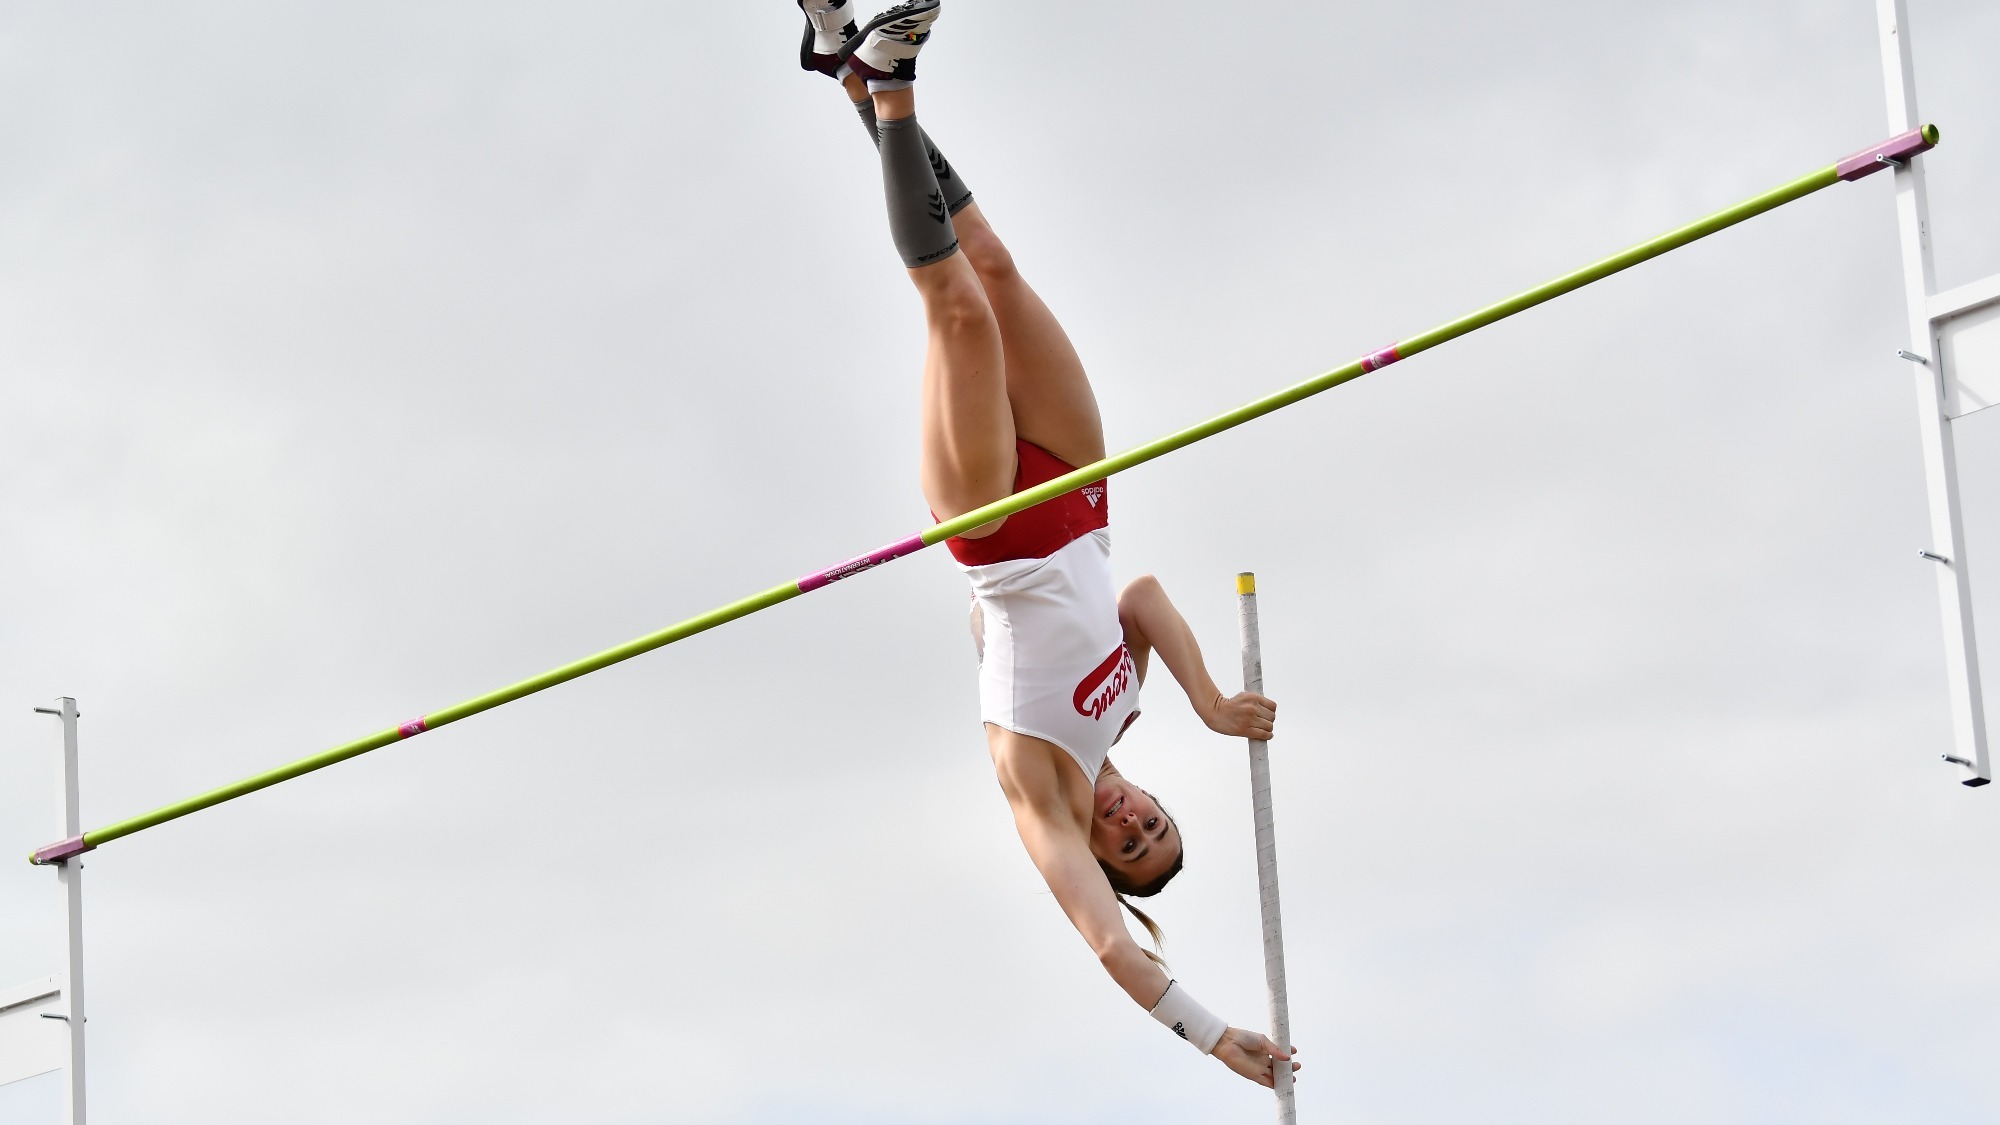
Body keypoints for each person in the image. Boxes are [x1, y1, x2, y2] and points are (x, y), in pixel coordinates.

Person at [795, 0, 1298, 1088]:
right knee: (996, 266)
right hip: (1080, 488)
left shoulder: (1039, 795)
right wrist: (1209, 703)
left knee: (958, 311)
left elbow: (1112, 949)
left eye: (1127, 845)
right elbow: (1146, 595)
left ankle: (889, 83)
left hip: (992, 526)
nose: (1126, 819)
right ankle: (846, 70)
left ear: (1103, 861)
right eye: (1151, 819)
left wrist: (1214, 1039)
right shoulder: (1119, 709)